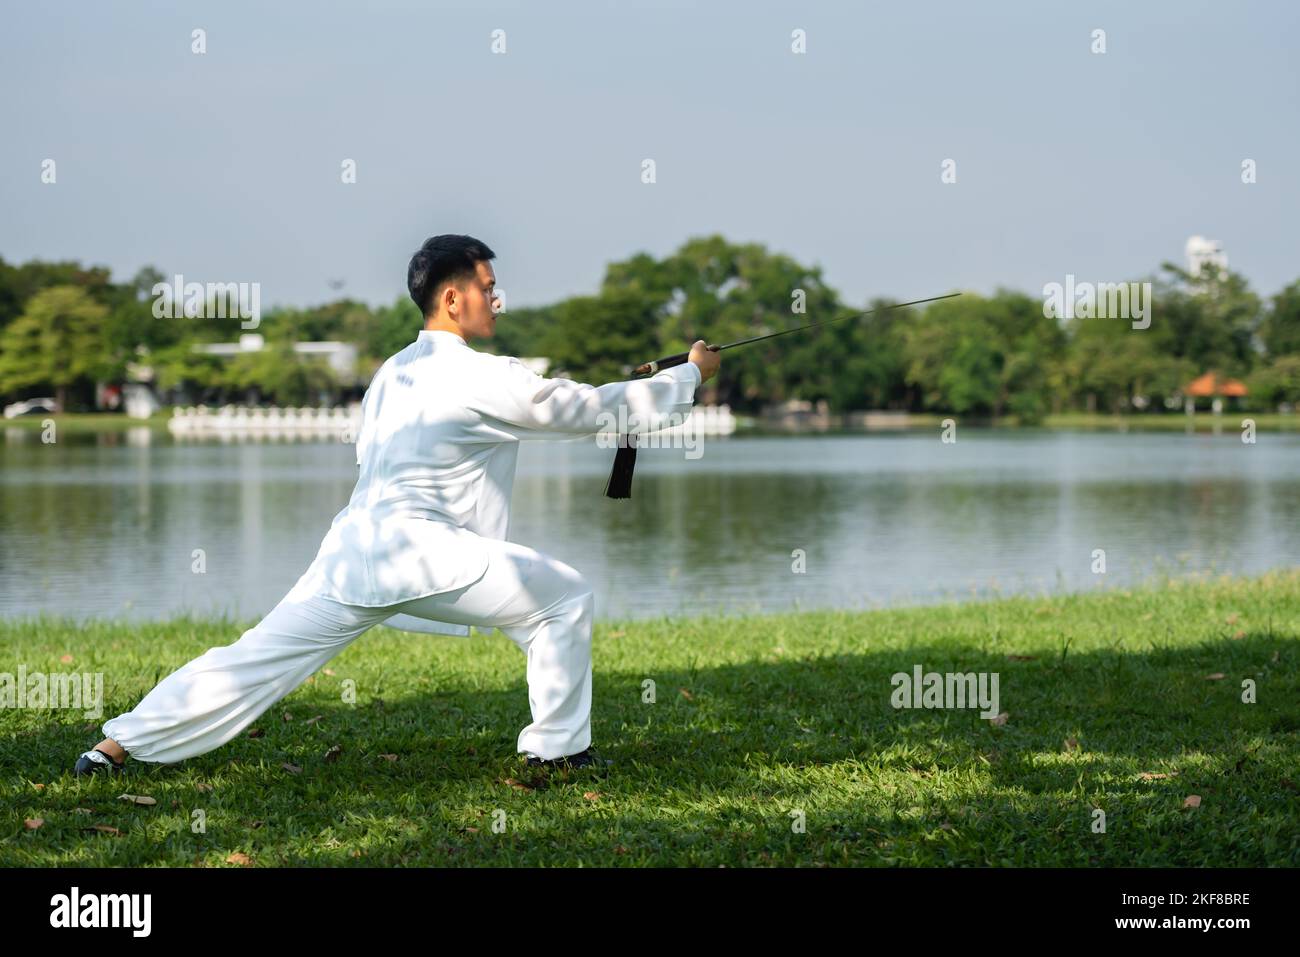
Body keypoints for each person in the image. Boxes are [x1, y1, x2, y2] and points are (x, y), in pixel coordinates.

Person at [74, 234, 721, 777]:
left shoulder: (393, 371)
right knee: (565, 597)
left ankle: (114, 746)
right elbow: (587, 410)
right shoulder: (480, 374)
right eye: (486, 286)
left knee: (253, 656)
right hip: (424, 555)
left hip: (353, 551)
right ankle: (557, 754)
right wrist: (689, 374)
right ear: (451, 296)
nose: (496, 298)